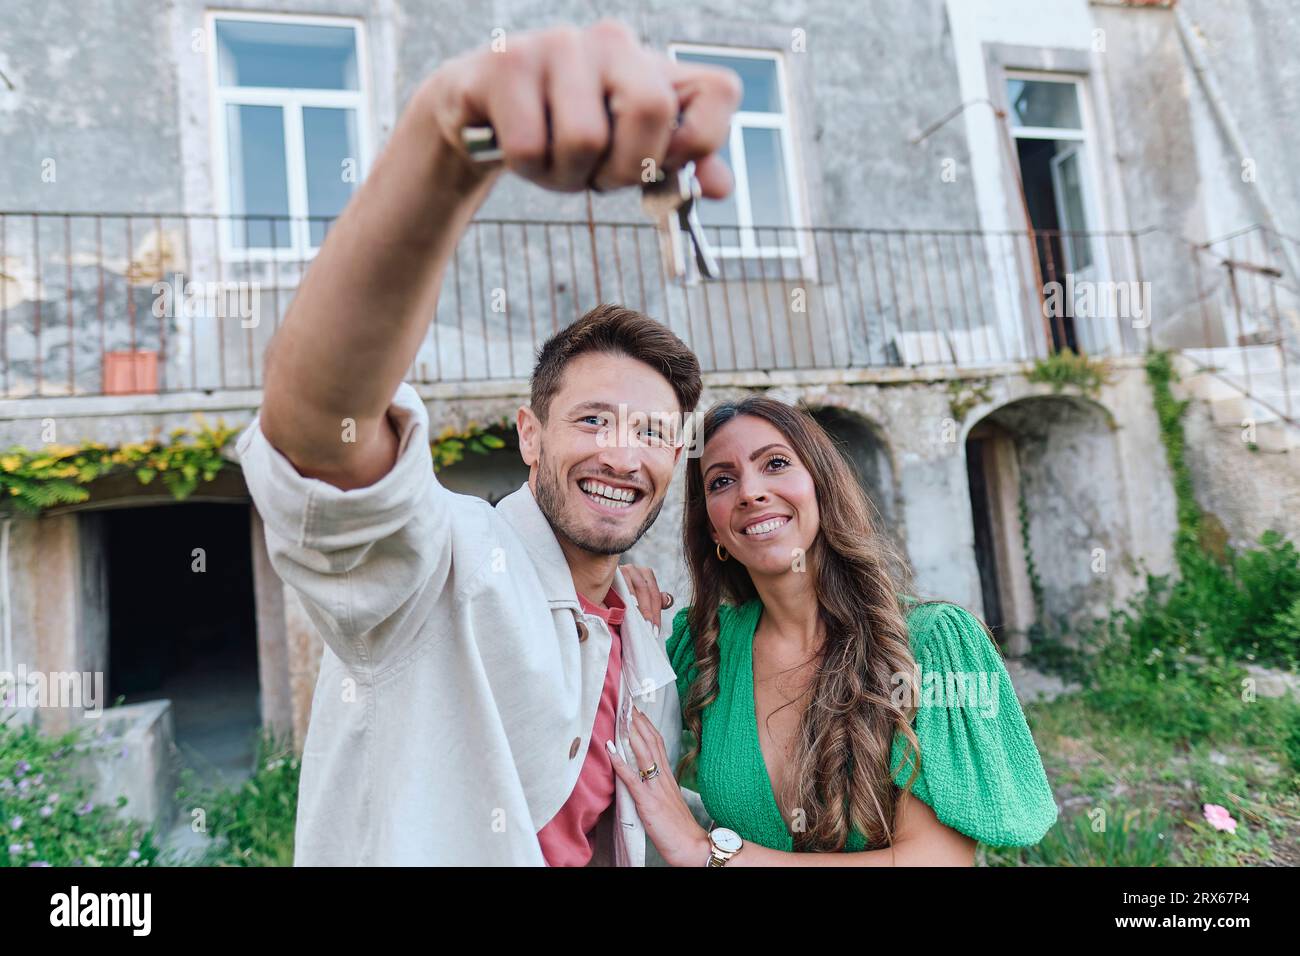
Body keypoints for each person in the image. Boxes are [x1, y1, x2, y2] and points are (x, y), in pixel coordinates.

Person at [235, 20, 741, 865]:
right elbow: (323, 444)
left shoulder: (644, 636)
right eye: (593, 421)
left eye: (653, 432)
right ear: (530, 437)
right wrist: (445, 145)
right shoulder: (437, 572)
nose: (624, 454)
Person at [615, 397, 1059, 865]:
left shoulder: (933, 643)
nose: (750, 492)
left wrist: (710, 854)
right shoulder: (703, 647)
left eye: (776, 463)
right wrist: (607, 589)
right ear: (715, 532)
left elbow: (934, 859)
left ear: (822, 488)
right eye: (722, 481)